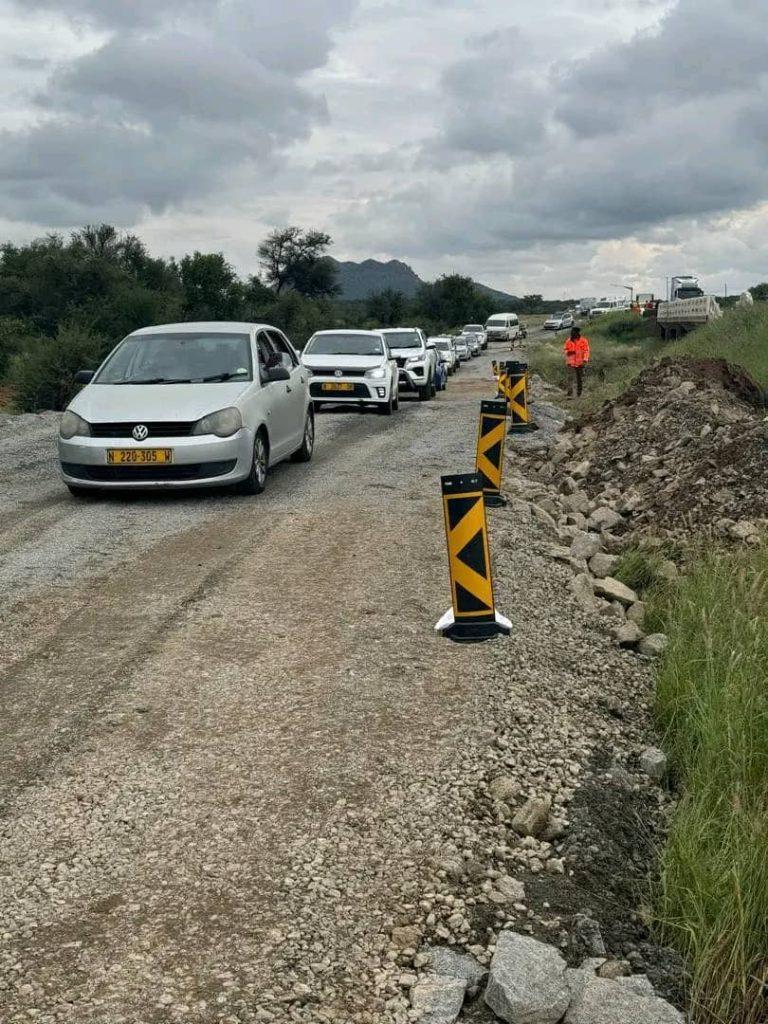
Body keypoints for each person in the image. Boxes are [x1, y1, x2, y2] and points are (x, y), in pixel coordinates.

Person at [564, 326, 590, 398]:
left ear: (577, 332)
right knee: (570, 378)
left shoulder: (584, 341)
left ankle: (579, 393)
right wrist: (568, 352)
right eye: (571, 332)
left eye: (573, 332)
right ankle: (570, 393)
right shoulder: (568, 341)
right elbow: (565, 349)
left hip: (580, 363)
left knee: (580, 378)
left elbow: (586, 351)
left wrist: (585, 360)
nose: (571, 333)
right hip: (570, 362)